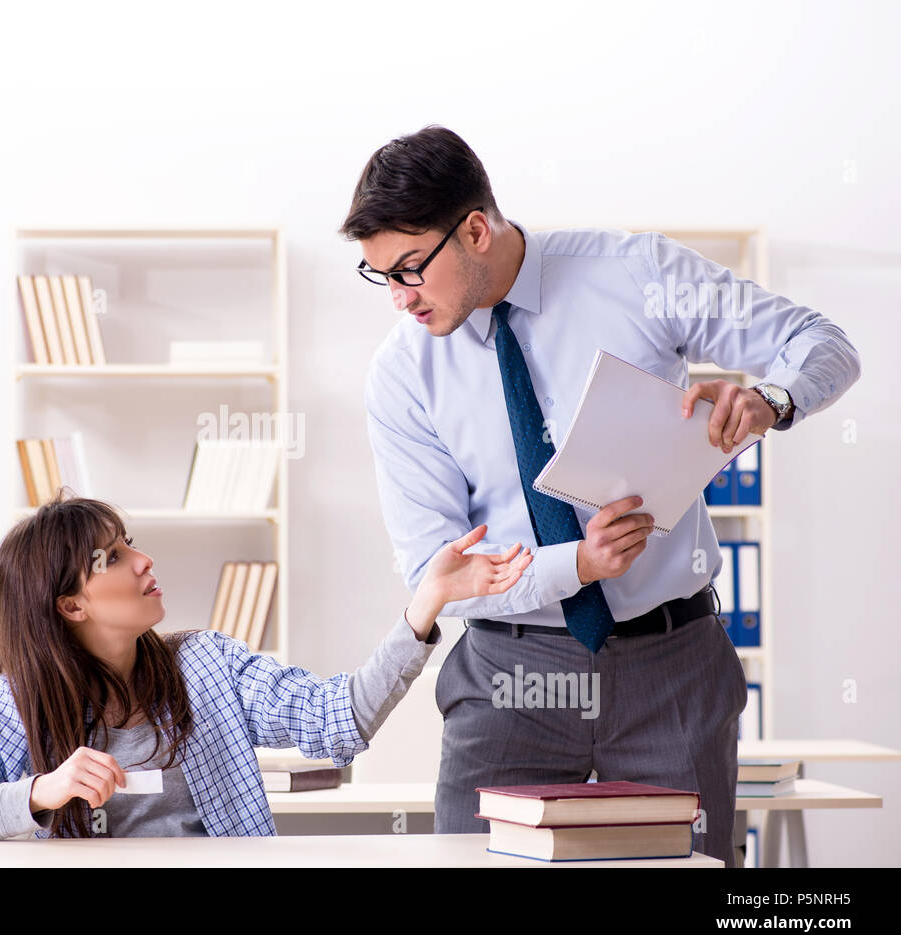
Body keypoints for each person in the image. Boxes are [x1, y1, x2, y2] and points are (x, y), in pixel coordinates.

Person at [342, 125, 860, 866]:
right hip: (508, 682)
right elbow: (436, 573)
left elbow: (823, 342)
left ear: (476, 230)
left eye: (409, 269)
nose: (398, 298)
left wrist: (771, 400)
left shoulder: (633, 272)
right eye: (379, 275)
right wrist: (576, 565)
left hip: (671, 669)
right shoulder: (401, 375)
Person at [0, 491, 532, 839]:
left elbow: (339, 720)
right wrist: (41, 792)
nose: (144, 561)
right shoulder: (21, 702)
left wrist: (428, 602)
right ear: (69, 604)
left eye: (133, 543)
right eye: (114, 557)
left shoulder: (208, 665)